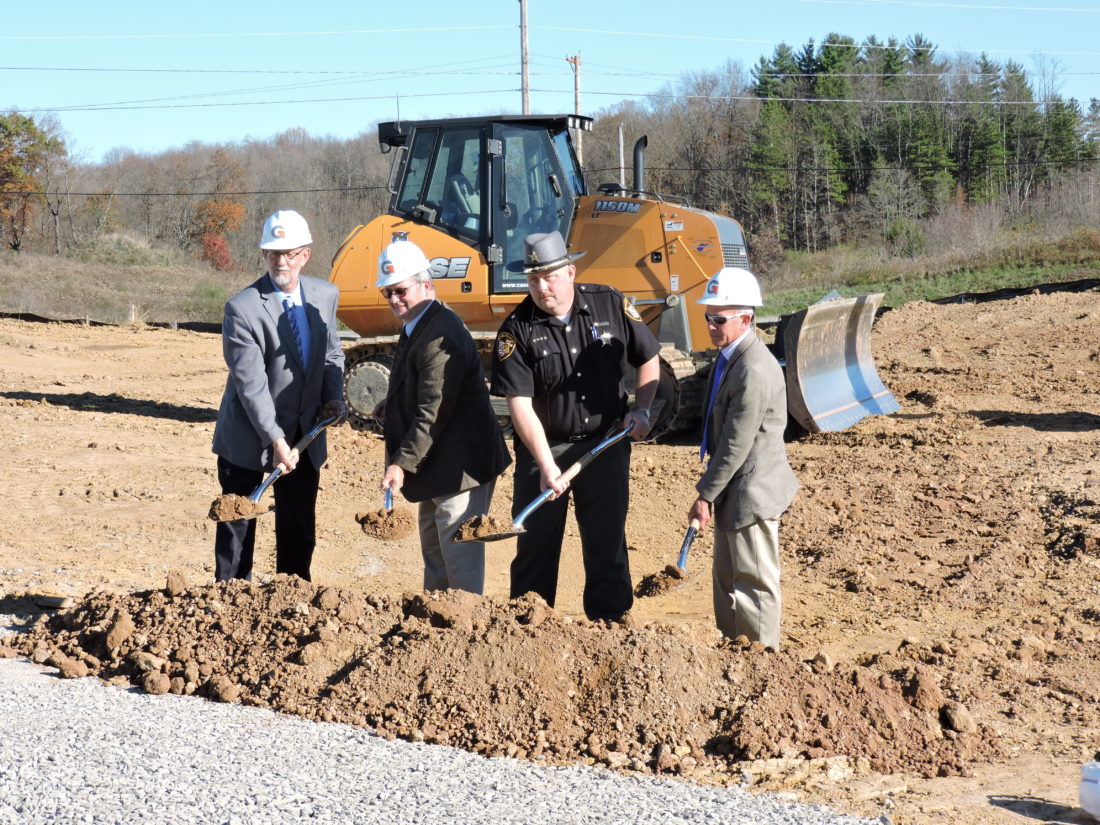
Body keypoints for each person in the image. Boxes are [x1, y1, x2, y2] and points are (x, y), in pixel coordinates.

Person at [490, 230, 661, 621]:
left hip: (606, 445)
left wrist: (643, 410)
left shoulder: (610, 303)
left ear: (570, 272)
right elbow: (519, 404)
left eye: (549, 276)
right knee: (535, 545)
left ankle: (611, 624)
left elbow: (648, 356)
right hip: (544, 449)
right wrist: (545, 464)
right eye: (533, 279)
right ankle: (527, 629)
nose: (541, 287)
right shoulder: (516, 329)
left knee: (607, 543)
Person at [211, 209, 346, 582]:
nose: (281, 261)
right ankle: (231, 603)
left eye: (289, 253)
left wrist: (332, 396)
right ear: (264, 254)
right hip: (249, 438)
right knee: (238, 530)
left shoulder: (325, 295)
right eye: (273, 253)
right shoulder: (243, 308)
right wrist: (274, 438)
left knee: (299, 529)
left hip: (303, 436)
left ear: (305, 255)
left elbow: (332, 354)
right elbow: (251, 384)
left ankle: (293, 597)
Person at [376, 234, 510, 594]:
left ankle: (464, 622)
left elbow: (433, 410)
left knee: (459, 556)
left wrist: (400, 464)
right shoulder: (419, 322)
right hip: (436, 464)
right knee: (435, 553)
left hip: (461, 468)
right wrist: (392, 404)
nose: (394, 299)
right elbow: (418, 382)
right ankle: (434, 619)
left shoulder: (440, 334)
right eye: (388, 292)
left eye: (401, 290)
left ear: (426, 285)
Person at [688, 266, 799, 649]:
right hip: (733, 490)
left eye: (719, 319)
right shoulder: (730, 358)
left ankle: (761, 662)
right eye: (708, 317)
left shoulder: (752, 368)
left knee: (753, 584)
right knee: (726, 578)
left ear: (746, 320)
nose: (711, 326)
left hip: (751, 491)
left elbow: (736, 444)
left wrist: (705, 494)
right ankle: (732, 652)